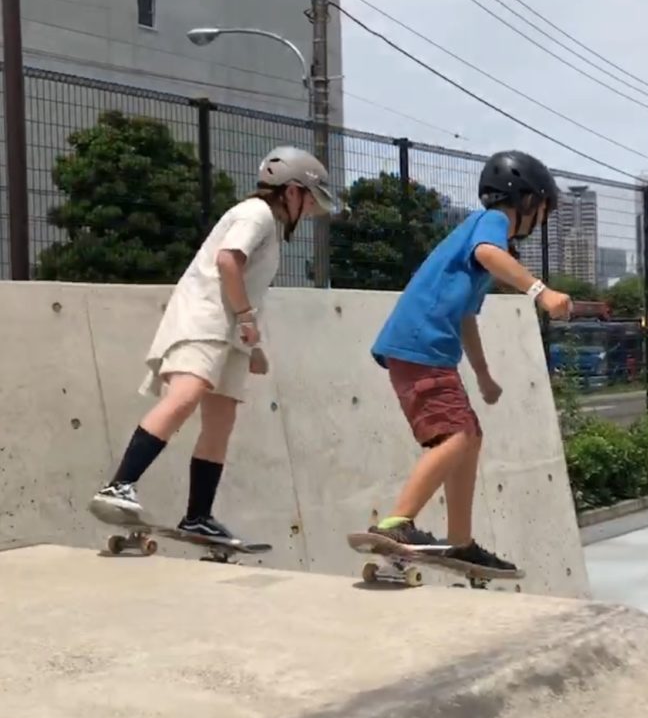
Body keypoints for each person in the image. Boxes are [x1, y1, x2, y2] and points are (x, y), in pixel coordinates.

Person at [89, 145, 337, 541]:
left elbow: (247, 285)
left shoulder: (269, 225)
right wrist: (245, 319)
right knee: (186, 394)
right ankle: (119, 485)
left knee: (221, 420)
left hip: (230, 332)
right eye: (310, 200)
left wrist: (252, 347)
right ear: (291, 191)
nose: (309, 211)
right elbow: (227, 262)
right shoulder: (255, 213)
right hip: (205, 318)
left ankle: (198, 516)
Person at [366, 149, 573, 574]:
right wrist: (541, 292)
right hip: (419, 346)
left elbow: (465, 318)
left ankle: (460, 541)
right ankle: (396, 524)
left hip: (426, 350)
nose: (543, 221)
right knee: (456, 435)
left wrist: (483, 375)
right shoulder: (491, 223)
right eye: (544, 211)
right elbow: (488, 254)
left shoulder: (477, 252)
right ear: (528, 200)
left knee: (469, 435)